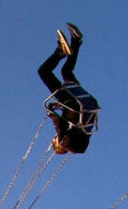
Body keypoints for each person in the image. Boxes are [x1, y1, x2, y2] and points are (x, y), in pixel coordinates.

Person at [37, 23, 99, 155]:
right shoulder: (65, 140)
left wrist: (57, 107)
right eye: (54, 140)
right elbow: (59, 123)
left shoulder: (80, 136)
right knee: (43, 72)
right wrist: (51, 113)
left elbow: (70, 121)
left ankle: (75, 40)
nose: (54, 138)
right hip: (73, 103)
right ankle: (61, 51)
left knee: (66, 72)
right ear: (58, 144)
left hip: (86, 104)